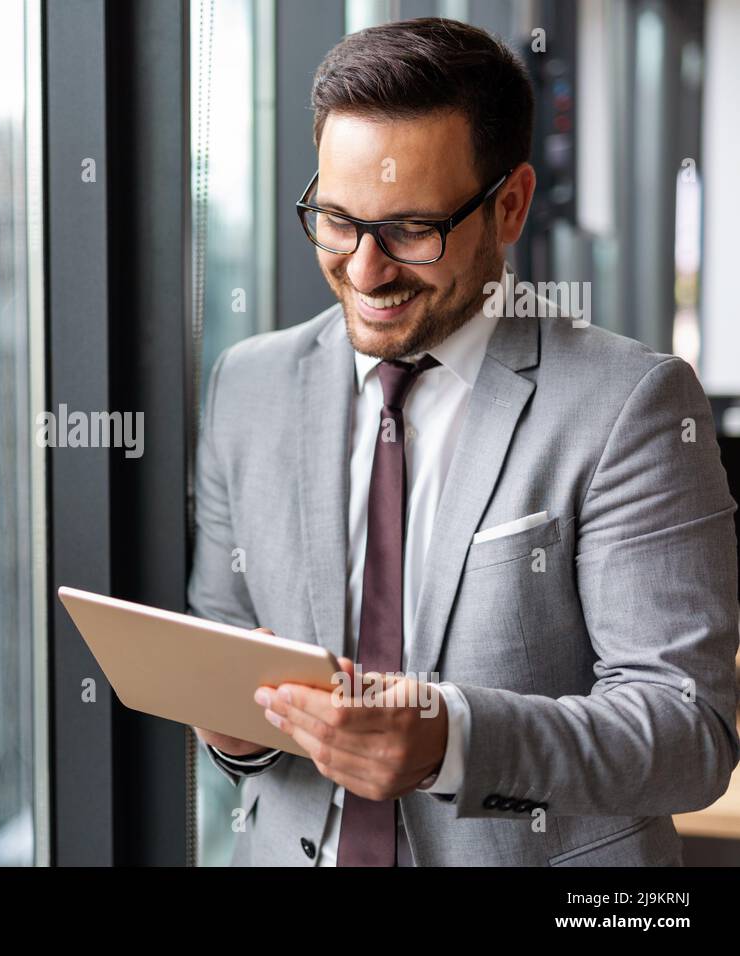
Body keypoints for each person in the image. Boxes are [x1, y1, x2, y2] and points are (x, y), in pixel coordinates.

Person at [188, 16, 739, 866]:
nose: (365, 272)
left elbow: (687, 730)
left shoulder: (632, 404)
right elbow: (222, 646)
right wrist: (239, 731)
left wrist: (451, 741)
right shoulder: (247, 386)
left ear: (509, 205)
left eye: (411, 230)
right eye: (336, 219)